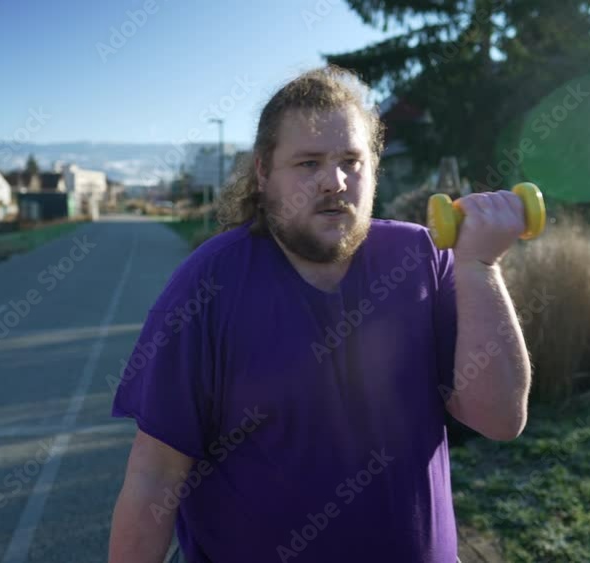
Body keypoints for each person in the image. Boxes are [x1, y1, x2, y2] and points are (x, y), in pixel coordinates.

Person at [108, 65, 531, 563]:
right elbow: (154, 477)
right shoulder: (208, 285)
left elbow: (501, 418)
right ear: (263, 173)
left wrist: (480, 267)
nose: (334, 181)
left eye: (351, 160)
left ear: (373, 167)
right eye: (308, 164)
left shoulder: (421, 257)